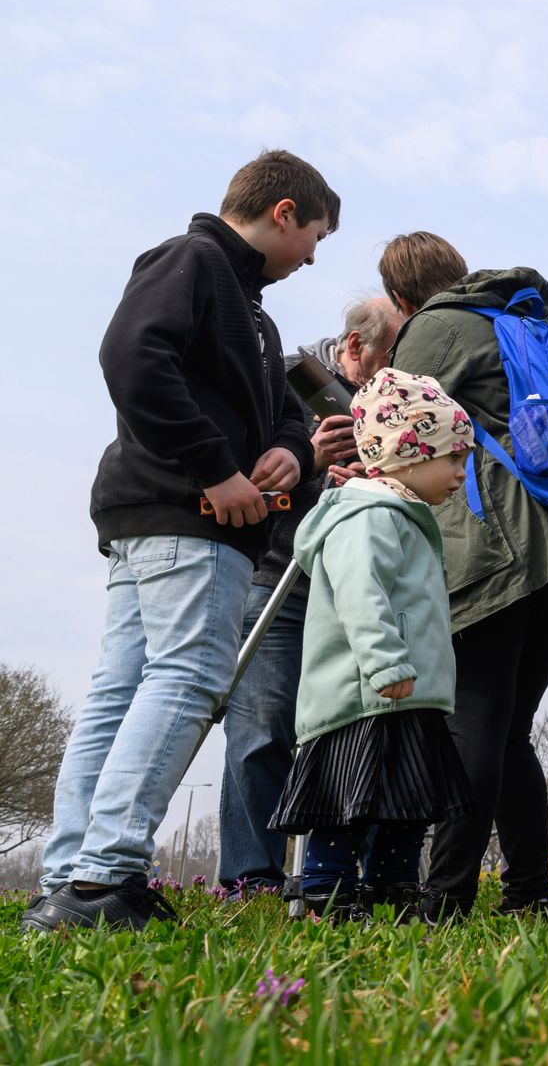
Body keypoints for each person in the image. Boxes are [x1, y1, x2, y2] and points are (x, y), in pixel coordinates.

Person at [26, 150, 335, 932]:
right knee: (190, 677)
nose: (311, 259)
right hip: (185, 514)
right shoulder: (192, 260)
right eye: (315, 238)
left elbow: (287, 419)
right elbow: (131, 359)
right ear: (286, 212)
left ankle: (69, 878)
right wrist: (217, 468)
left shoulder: (254, 313)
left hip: (158, 517)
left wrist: (291, 455)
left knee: (121, 689)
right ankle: (106, 876)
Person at [391, 266, 548, 921]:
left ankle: (445, 898)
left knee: (475, 719)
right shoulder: (534, 334)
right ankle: (528, 894)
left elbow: (395, 438)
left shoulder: (437, 327)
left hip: (501, 552)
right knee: (507, 730)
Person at [271, 369, 479, 920]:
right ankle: (326, 892)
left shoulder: (403, 516)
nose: (462, 473)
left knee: (408, 803)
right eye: (452, 458)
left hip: (409, 696)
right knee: (347, 803)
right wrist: (386, 663)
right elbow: (361, 595)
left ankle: (392, 889)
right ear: (408, 454)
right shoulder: (368, 518)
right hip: (366, 697)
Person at [218, 294, 407, 892]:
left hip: (360, 585)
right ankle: (253, 879)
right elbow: (243, 482)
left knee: (362, 728)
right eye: (393, 355)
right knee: (261, 726)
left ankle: (352, 875)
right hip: (279, 575)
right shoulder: (284, 386)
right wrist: (309, 464)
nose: (402, 369)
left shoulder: (398, 403)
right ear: (355, 347)